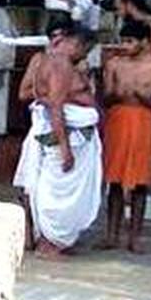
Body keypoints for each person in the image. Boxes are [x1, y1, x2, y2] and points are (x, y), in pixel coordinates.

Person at [13, 24, 103, 258]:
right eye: (85, 50)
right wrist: (65, 149)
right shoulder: (59, 64)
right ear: (76, 43)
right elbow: (56, 106)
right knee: (57, 193)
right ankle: (49, 242)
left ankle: (53, 240)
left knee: (56, 190)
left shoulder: (56, 62)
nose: (84, 55)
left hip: (74, 135)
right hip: (66, 137)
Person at [99, 20, 151, 253]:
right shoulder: (114, 64)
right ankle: (111, 236)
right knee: (114, 181)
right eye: (123, 41)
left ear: (145, 42)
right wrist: (115, 94)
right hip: (117, 120)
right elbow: (105, 98)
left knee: (140, 182)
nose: (125, 46)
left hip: (142, 121)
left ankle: (135, 238)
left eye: (130, 41)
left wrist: (143, 97)